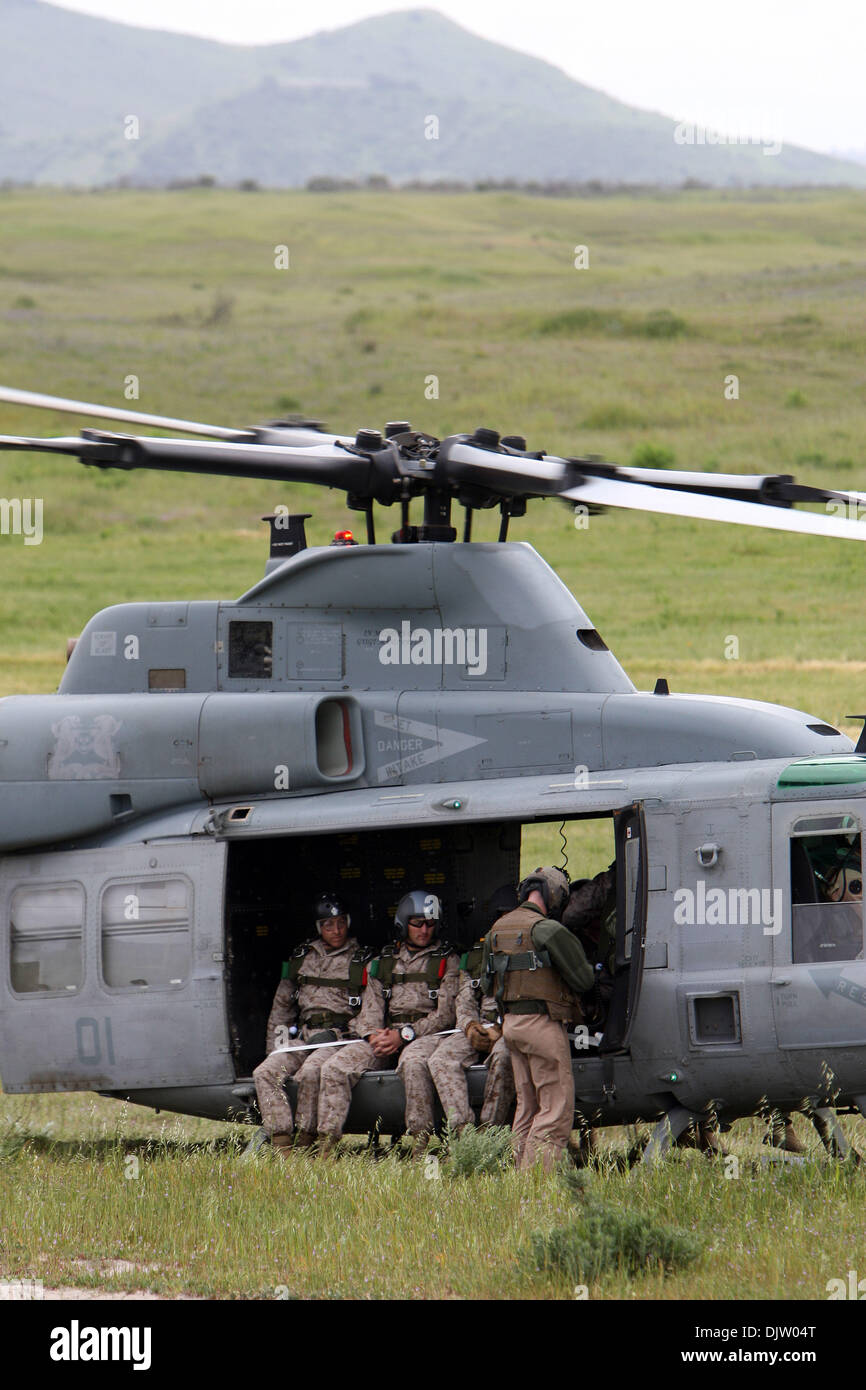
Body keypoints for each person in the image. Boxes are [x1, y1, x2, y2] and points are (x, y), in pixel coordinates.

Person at [316, 890, 459, 1155]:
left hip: (427, 1036)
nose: (424, 930)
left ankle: (419, 1145)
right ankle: (326, 1146)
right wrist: (373, 1037)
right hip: (385, 1037)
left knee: (414, 1063)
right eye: (417, 923)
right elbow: (370, 1011)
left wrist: (405, 1035)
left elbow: (445, 1016)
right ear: (404, 923)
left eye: (430, 923)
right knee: (335, 1067)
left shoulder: (448, 960)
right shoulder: (384, 963)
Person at [482, 865, 594, 1171]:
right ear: (554, 896)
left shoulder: (497, 929)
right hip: (542, 1026)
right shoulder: (548, 930)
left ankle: (518, 1174)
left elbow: (484, 984)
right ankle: (536, 1182)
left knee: (527, 1107)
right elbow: (584, 980)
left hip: (512, 1029)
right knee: (555, 1109)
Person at [253, 891, 368, 1156]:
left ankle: (307, 1140)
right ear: (319, 928)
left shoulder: (362, 959)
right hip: (304, 1038)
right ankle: (283, 1145)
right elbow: (282, 1008)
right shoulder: (301, 959)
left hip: (340, 1038)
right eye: (329, 925)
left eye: (341, 923)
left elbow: (371, 1009)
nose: (336, 930)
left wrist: (347, 1035)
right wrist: (276, 1047)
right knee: (265, 1072)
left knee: (312, 1071)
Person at [428, 885, 517, 1134]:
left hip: (514, 1027)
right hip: (481, 1026)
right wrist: (469, 1027)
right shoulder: (477, 956)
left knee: (504, 1057)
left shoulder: (534, 951)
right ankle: (463, 1132)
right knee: (440, 1059)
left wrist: (503, 1028)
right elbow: (465, 1000)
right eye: (502, 916)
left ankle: (490, 1132)